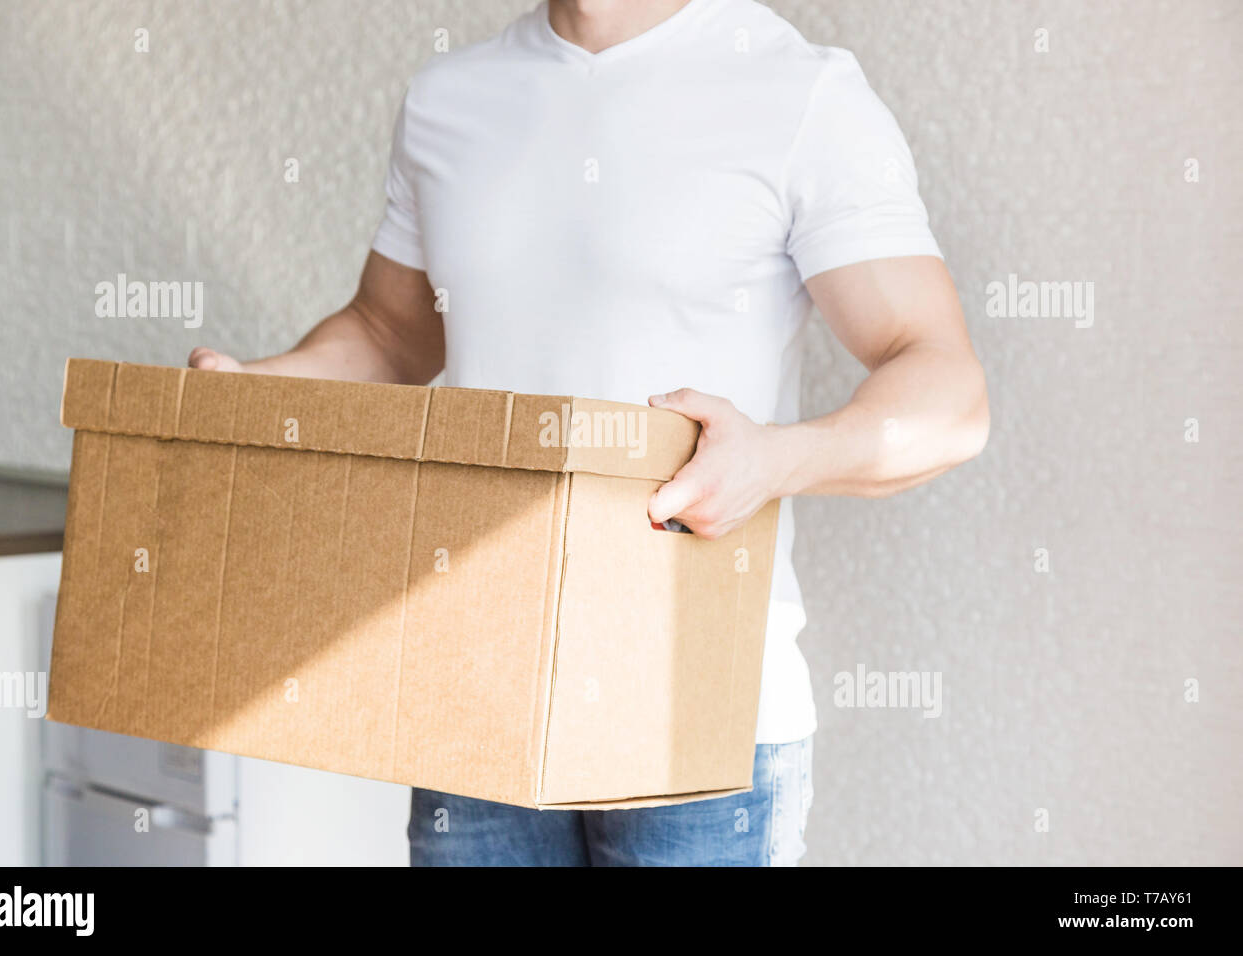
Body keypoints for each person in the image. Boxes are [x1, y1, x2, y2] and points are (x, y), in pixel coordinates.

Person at [189, 0, 988, 866]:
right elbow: (389, 334)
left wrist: (774, 460)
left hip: (699, 713)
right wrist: (256, 391)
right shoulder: (451, 96)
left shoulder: (797, 92)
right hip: (476, 692)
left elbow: (948, 392)